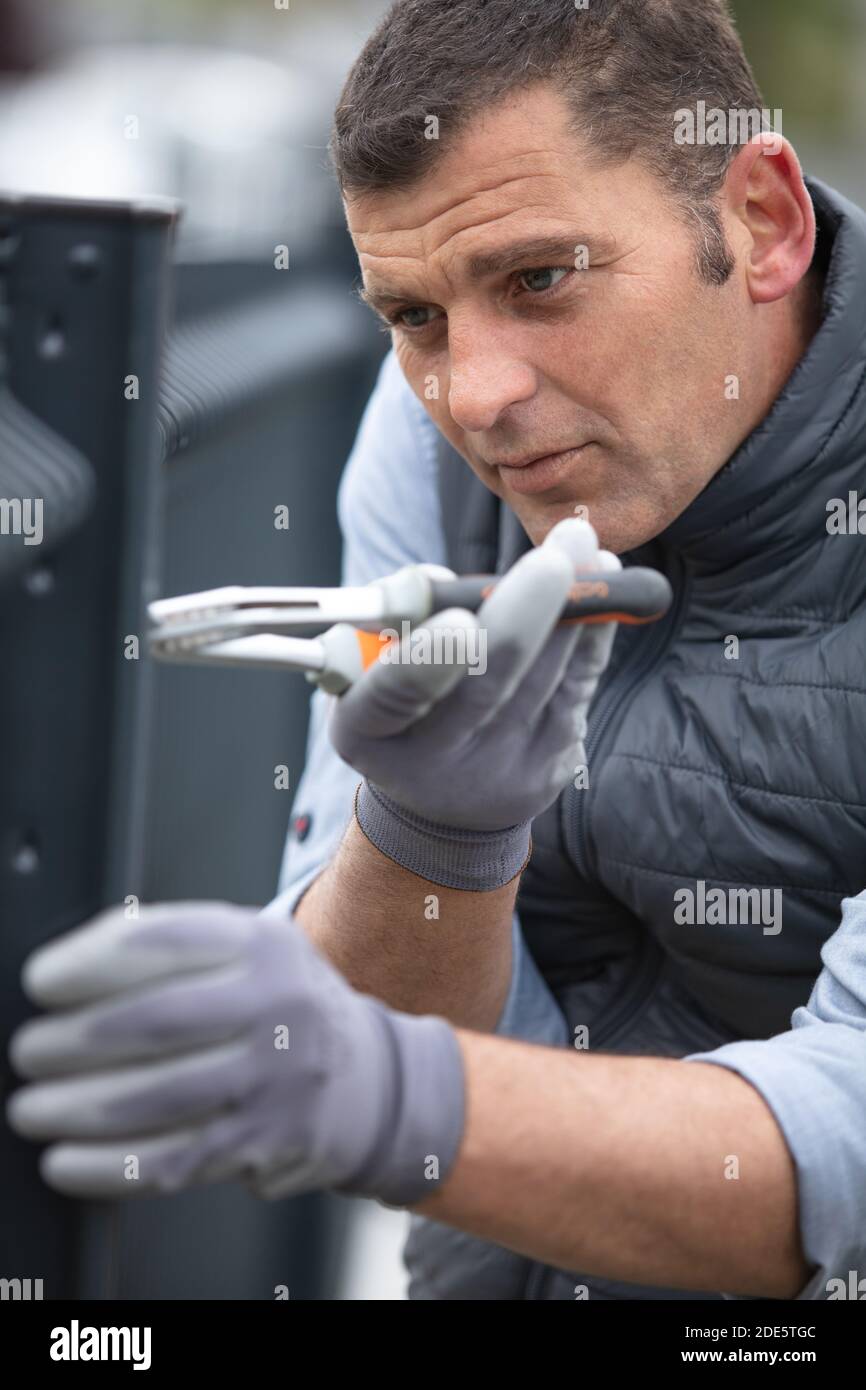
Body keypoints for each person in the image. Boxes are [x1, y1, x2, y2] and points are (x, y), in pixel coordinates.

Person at [8, 0, 866, 1301]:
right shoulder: (427, 440)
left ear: (760, 220)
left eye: (539, 280)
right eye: (412, 316)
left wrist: (374, 1086)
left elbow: (834, 1162)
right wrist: (427, 840)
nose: (472, 393)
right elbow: (411, 1033)